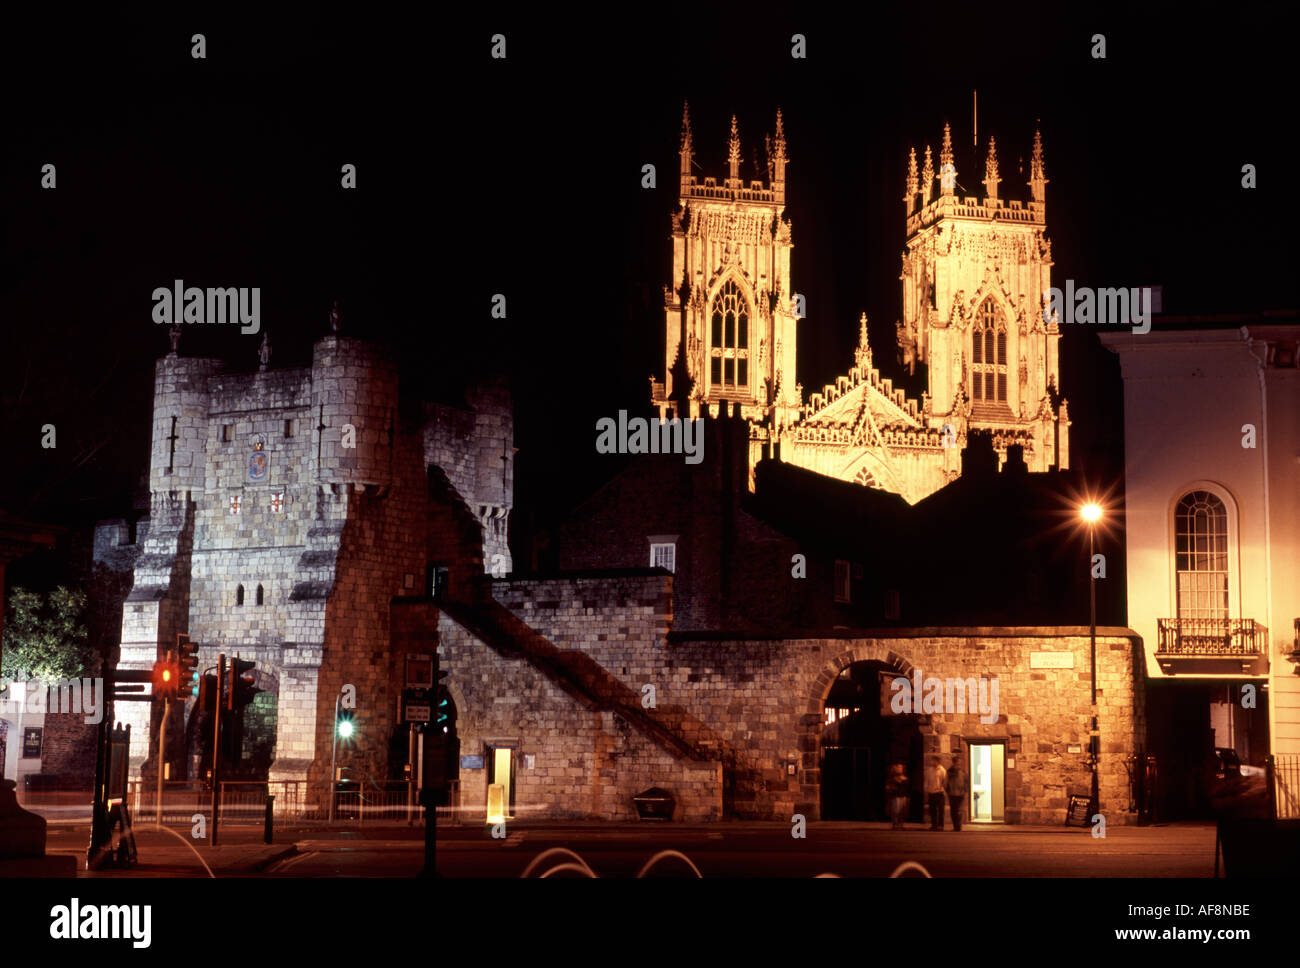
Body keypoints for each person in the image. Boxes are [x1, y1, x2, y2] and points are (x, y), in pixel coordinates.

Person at [924, 754, 947, 830]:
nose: (932, 762)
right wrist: (926, 790)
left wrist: (943, 790)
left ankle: (940, 825)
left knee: (941, 810)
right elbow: (927, 781)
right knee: (932, 810)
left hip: (939, 793)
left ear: (937, 761)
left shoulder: (942, 770)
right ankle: (934, 825)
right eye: (932, 761)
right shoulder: (930, 770)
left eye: (933, 761)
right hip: (931, 792)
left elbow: (945, 781)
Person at [946, 754, 967, 831]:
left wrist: (965, 790)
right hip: (952, 794)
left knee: (959, 811)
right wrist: (948, 790)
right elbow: (946, 782)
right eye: (958, 763)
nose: (959, 765)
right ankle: (956, 826)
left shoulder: (962, 771)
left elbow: (966, 781)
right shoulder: (950, 771)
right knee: (953, 811)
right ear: (954, 763)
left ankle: (958, 826)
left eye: (960, 763)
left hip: (960, 794)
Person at [886, 763, 909, 829]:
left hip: (903, 796)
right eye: (898, 767)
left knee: (902, 811)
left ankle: (901, 824)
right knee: (895, 811)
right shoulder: (892, 778)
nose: (900, 768)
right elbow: (888, 787)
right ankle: (895, 824)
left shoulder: (905, 778)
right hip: (896, 796)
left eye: (901, 767)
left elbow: (906, 787)